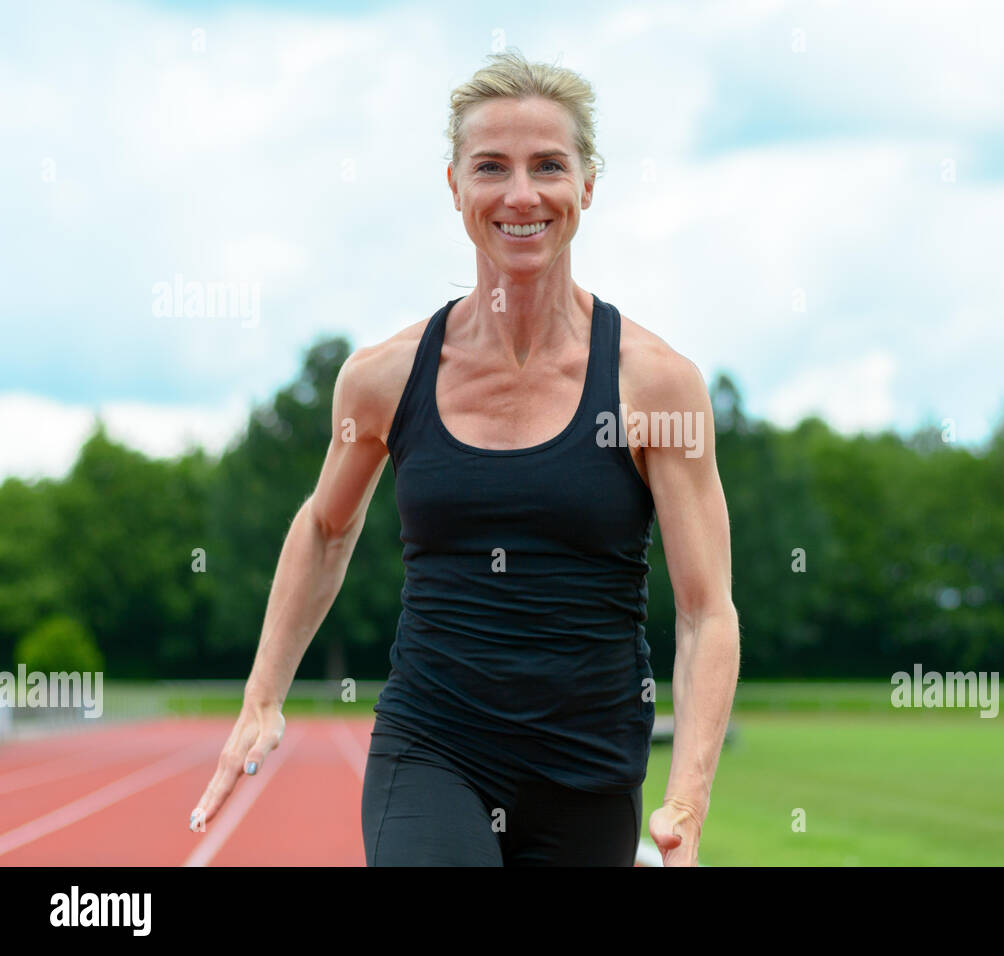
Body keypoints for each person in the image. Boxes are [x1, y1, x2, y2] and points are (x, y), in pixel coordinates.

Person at [188, 49, 740, 866]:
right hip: (432, 747)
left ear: (588, 184)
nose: (522, 195)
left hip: (588, 770)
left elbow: (705, 613)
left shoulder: (656, 386)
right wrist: (262, 695)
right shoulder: (382, 379)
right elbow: (325, 528)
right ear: (455, 187)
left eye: (548, 165)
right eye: (491, 167)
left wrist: (687, 800)